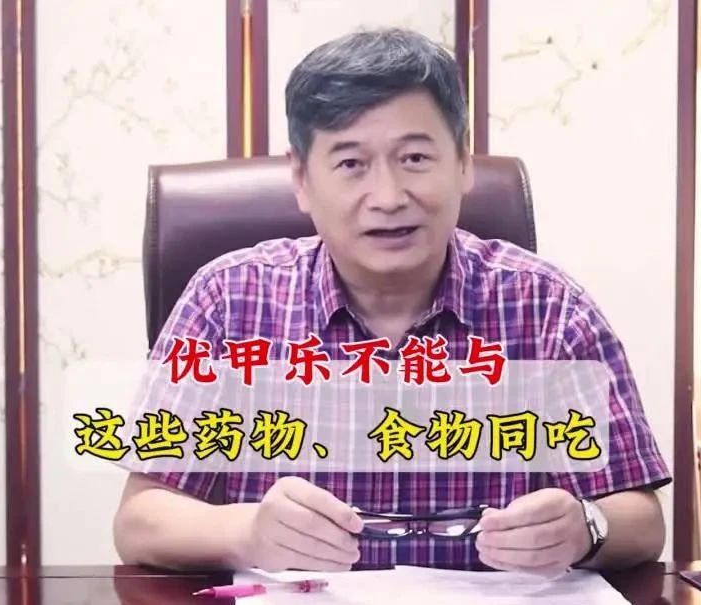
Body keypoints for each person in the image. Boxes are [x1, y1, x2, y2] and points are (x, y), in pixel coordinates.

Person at [113, 27, 671, 575]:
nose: (387, 197)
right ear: (302, 179)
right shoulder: (228, 301)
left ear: (463, 164)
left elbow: (642, 522)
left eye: (415, 158)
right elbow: (140, 521)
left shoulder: (549, 309)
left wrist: (584, 527)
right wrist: (247, 533)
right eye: (351, 164)